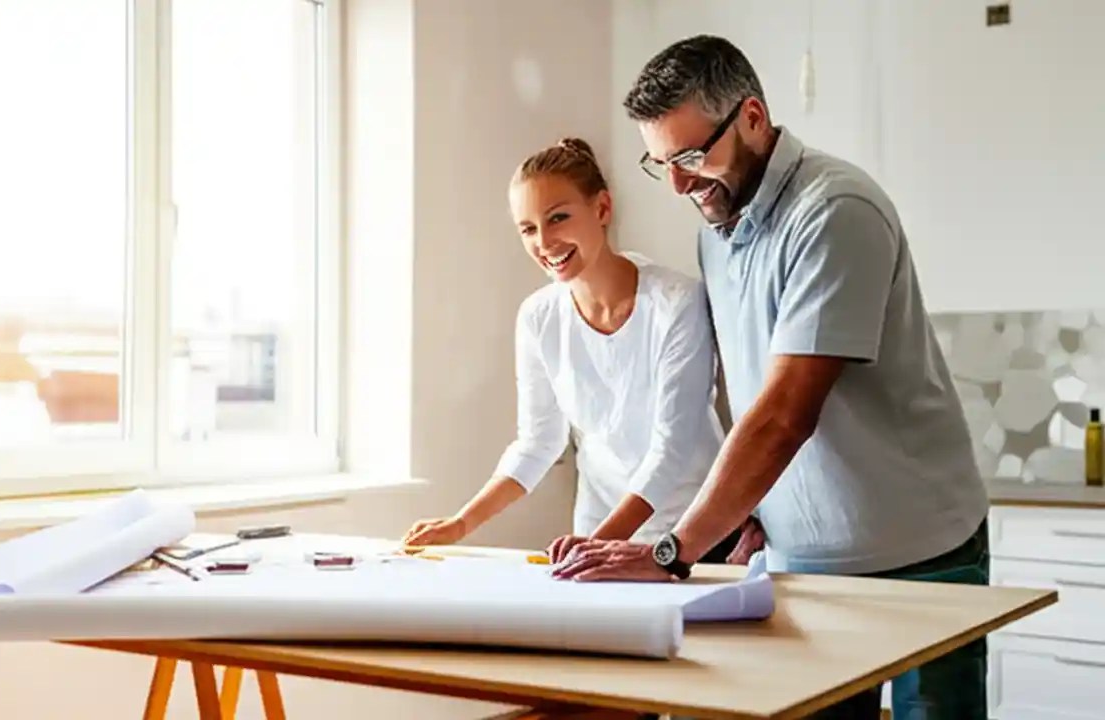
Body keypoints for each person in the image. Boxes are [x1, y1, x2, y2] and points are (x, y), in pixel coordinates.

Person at [551, 36, 991, 720]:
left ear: (752, 117)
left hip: (919, 553)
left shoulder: (835, 212)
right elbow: (751, 389)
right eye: (660, 163)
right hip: (803, 562)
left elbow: (787, 412)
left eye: (692, 156)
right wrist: (750, 509)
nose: (677, 184)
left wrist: (673, 552)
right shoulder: (716, 232)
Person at [401, 137, 756, 564]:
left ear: (602, 209)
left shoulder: (677, 303)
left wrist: (598, 547)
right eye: (528, 229)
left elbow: (672, 450)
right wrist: (460, 524)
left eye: (559, 218)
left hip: (693, 539)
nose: (544, 243)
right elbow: (537, 443)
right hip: (600, 535)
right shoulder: (538, 317)